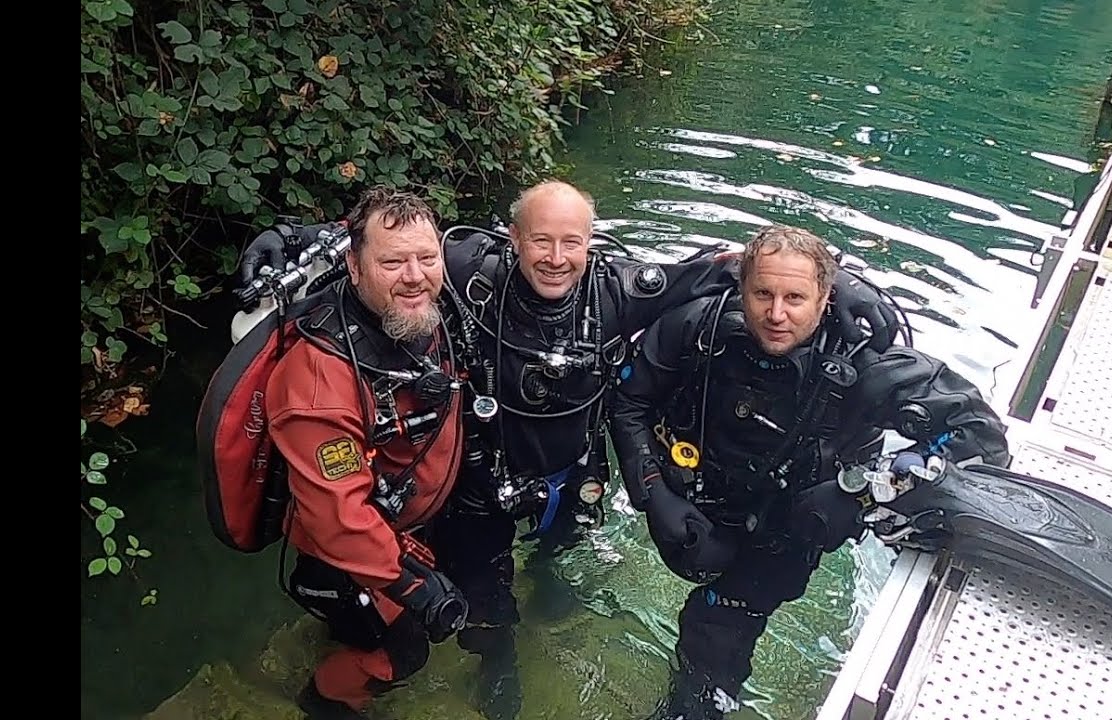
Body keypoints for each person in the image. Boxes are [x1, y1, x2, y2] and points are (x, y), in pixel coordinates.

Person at [237, 180, 902, 719]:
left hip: (569, 476)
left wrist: (842, 284)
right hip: (478, 484)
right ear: (512, 240)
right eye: (540, 241)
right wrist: (297, 237)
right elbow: (377, 238)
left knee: (558, 562)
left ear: (590, 242)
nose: (555, 257)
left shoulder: (617, 290)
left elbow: (736, 270)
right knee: (476, 608)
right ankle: (493, 660)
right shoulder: (467, 277)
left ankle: (547, 590)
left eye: (571, 242)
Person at [608, 224, 1012, 719]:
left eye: (795, 298)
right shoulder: (699, 329)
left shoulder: (865, 364)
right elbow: (629, 401)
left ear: (825, 299)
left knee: (712, 630)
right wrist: (653, 493)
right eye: (763, 294)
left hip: (790, 527)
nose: (777, 315)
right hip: (697, 501)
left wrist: (863, 493)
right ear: (742, 288)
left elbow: (980, 438)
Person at [261, 186, 471, 719]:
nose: (415, 276)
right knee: (406, 652)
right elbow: (338, 518)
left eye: (427, 258)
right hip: (343, 553)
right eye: (393, 262)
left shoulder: (423, 313)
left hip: (402, 524)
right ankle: (323, 703)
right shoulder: (318, 380)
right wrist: (416, 589)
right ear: (353, 268)